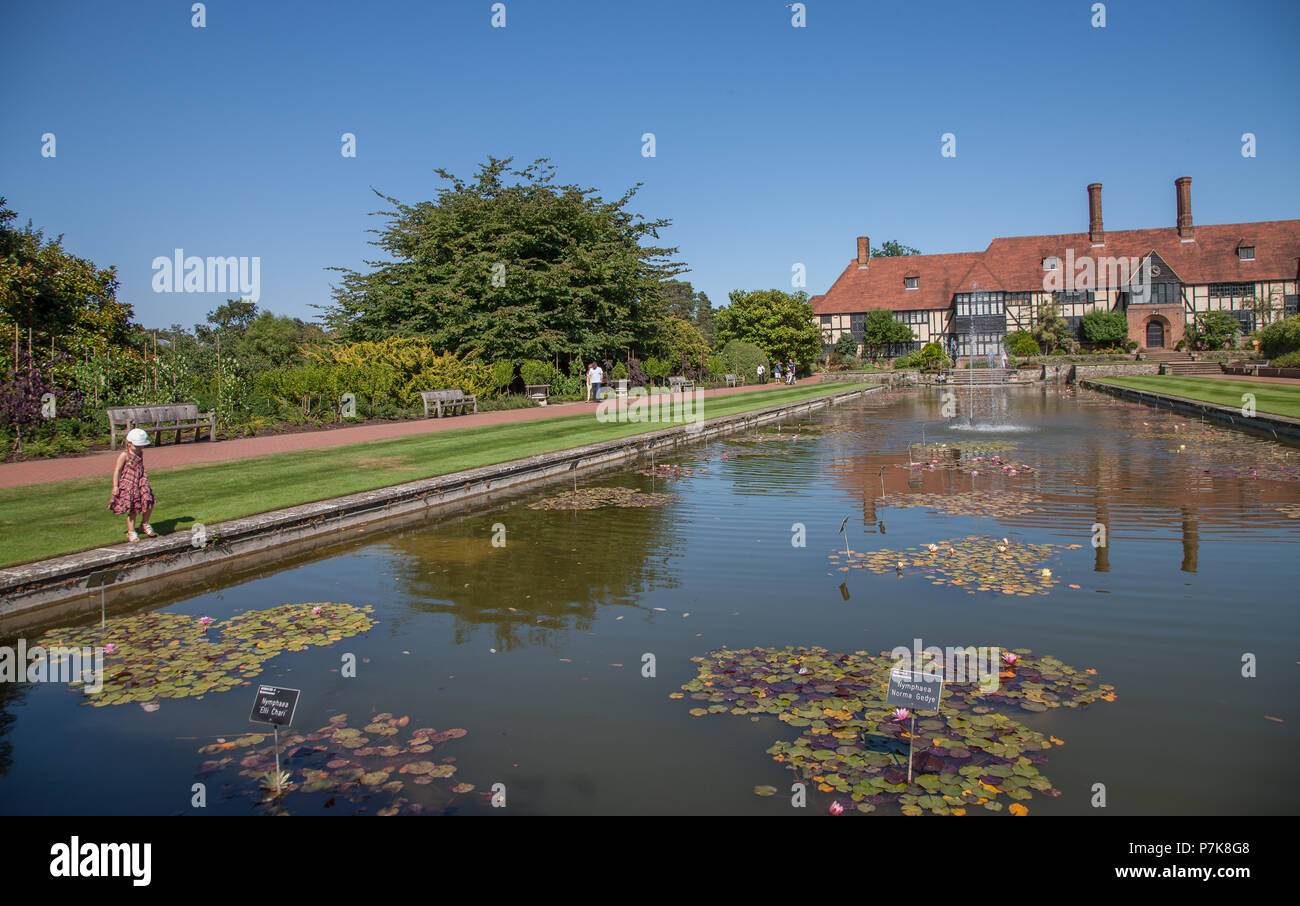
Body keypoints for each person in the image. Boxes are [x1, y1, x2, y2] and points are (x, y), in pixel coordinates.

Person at [109, 428, 157, 543]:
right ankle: (131, 531)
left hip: (141, 480)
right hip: (129, 483)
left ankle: (144, 524)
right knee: (133, 507)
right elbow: (117, 470)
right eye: (138, 446)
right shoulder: (124, 455)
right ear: (129, 444)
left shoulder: (140, 452)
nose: (140, 448)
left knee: (149, 500)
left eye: (142, 446)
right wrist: (115, 486)